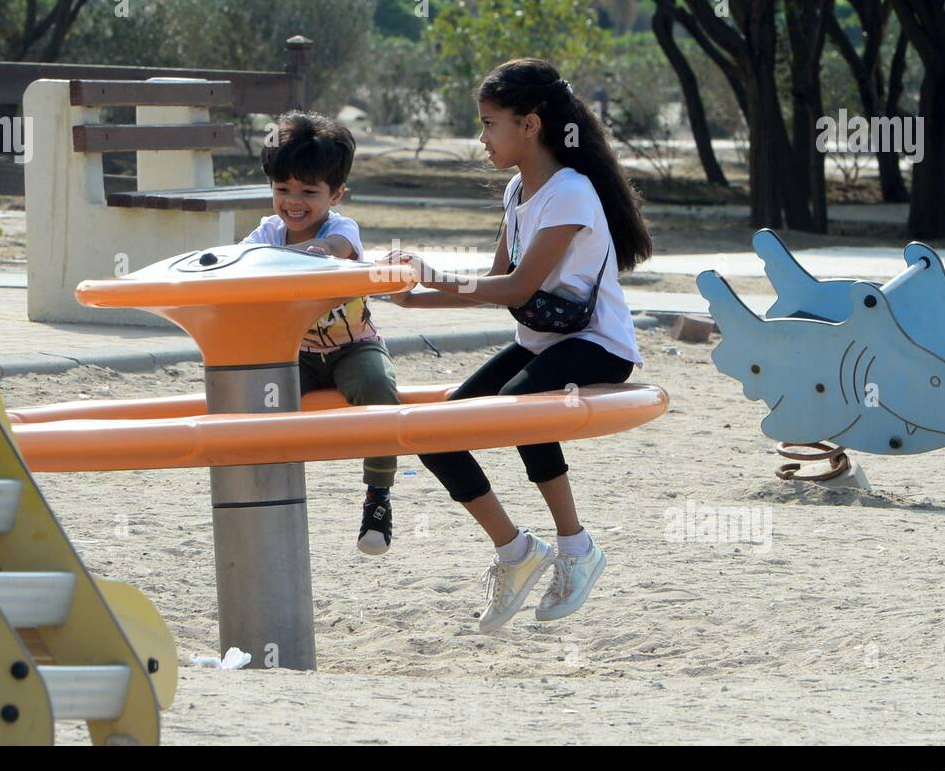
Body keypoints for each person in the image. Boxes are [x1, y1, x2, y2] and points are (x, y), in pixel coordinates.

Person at [383, 59, 651, 630]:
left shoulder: (570, 193)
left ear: (530, 125)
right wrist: (413, 301)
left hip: (598, 345)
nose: (481, 139)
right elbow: (496, 287)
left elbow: (518, 286)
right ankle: (516, 552)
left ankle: (577, 547)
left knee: (522, 407)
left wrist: (430, 275)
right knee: (436, 435)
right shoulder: (516, 190)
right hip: (542, 343)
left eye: (489, 123)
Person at [245, 112, 400, 555]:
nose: (293, 202)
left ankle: (378, 496)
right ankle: (265, 492)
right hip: (298, 352)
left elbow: (332, 250)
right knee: (263, 393)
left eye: (309, 192)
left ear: (336, 194)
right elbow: (239, 263)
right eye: (282, 190)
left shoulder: (339, 228)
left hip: (354, 346)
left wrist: (292, 256)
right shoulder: (266, 233)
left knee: (377, 387)